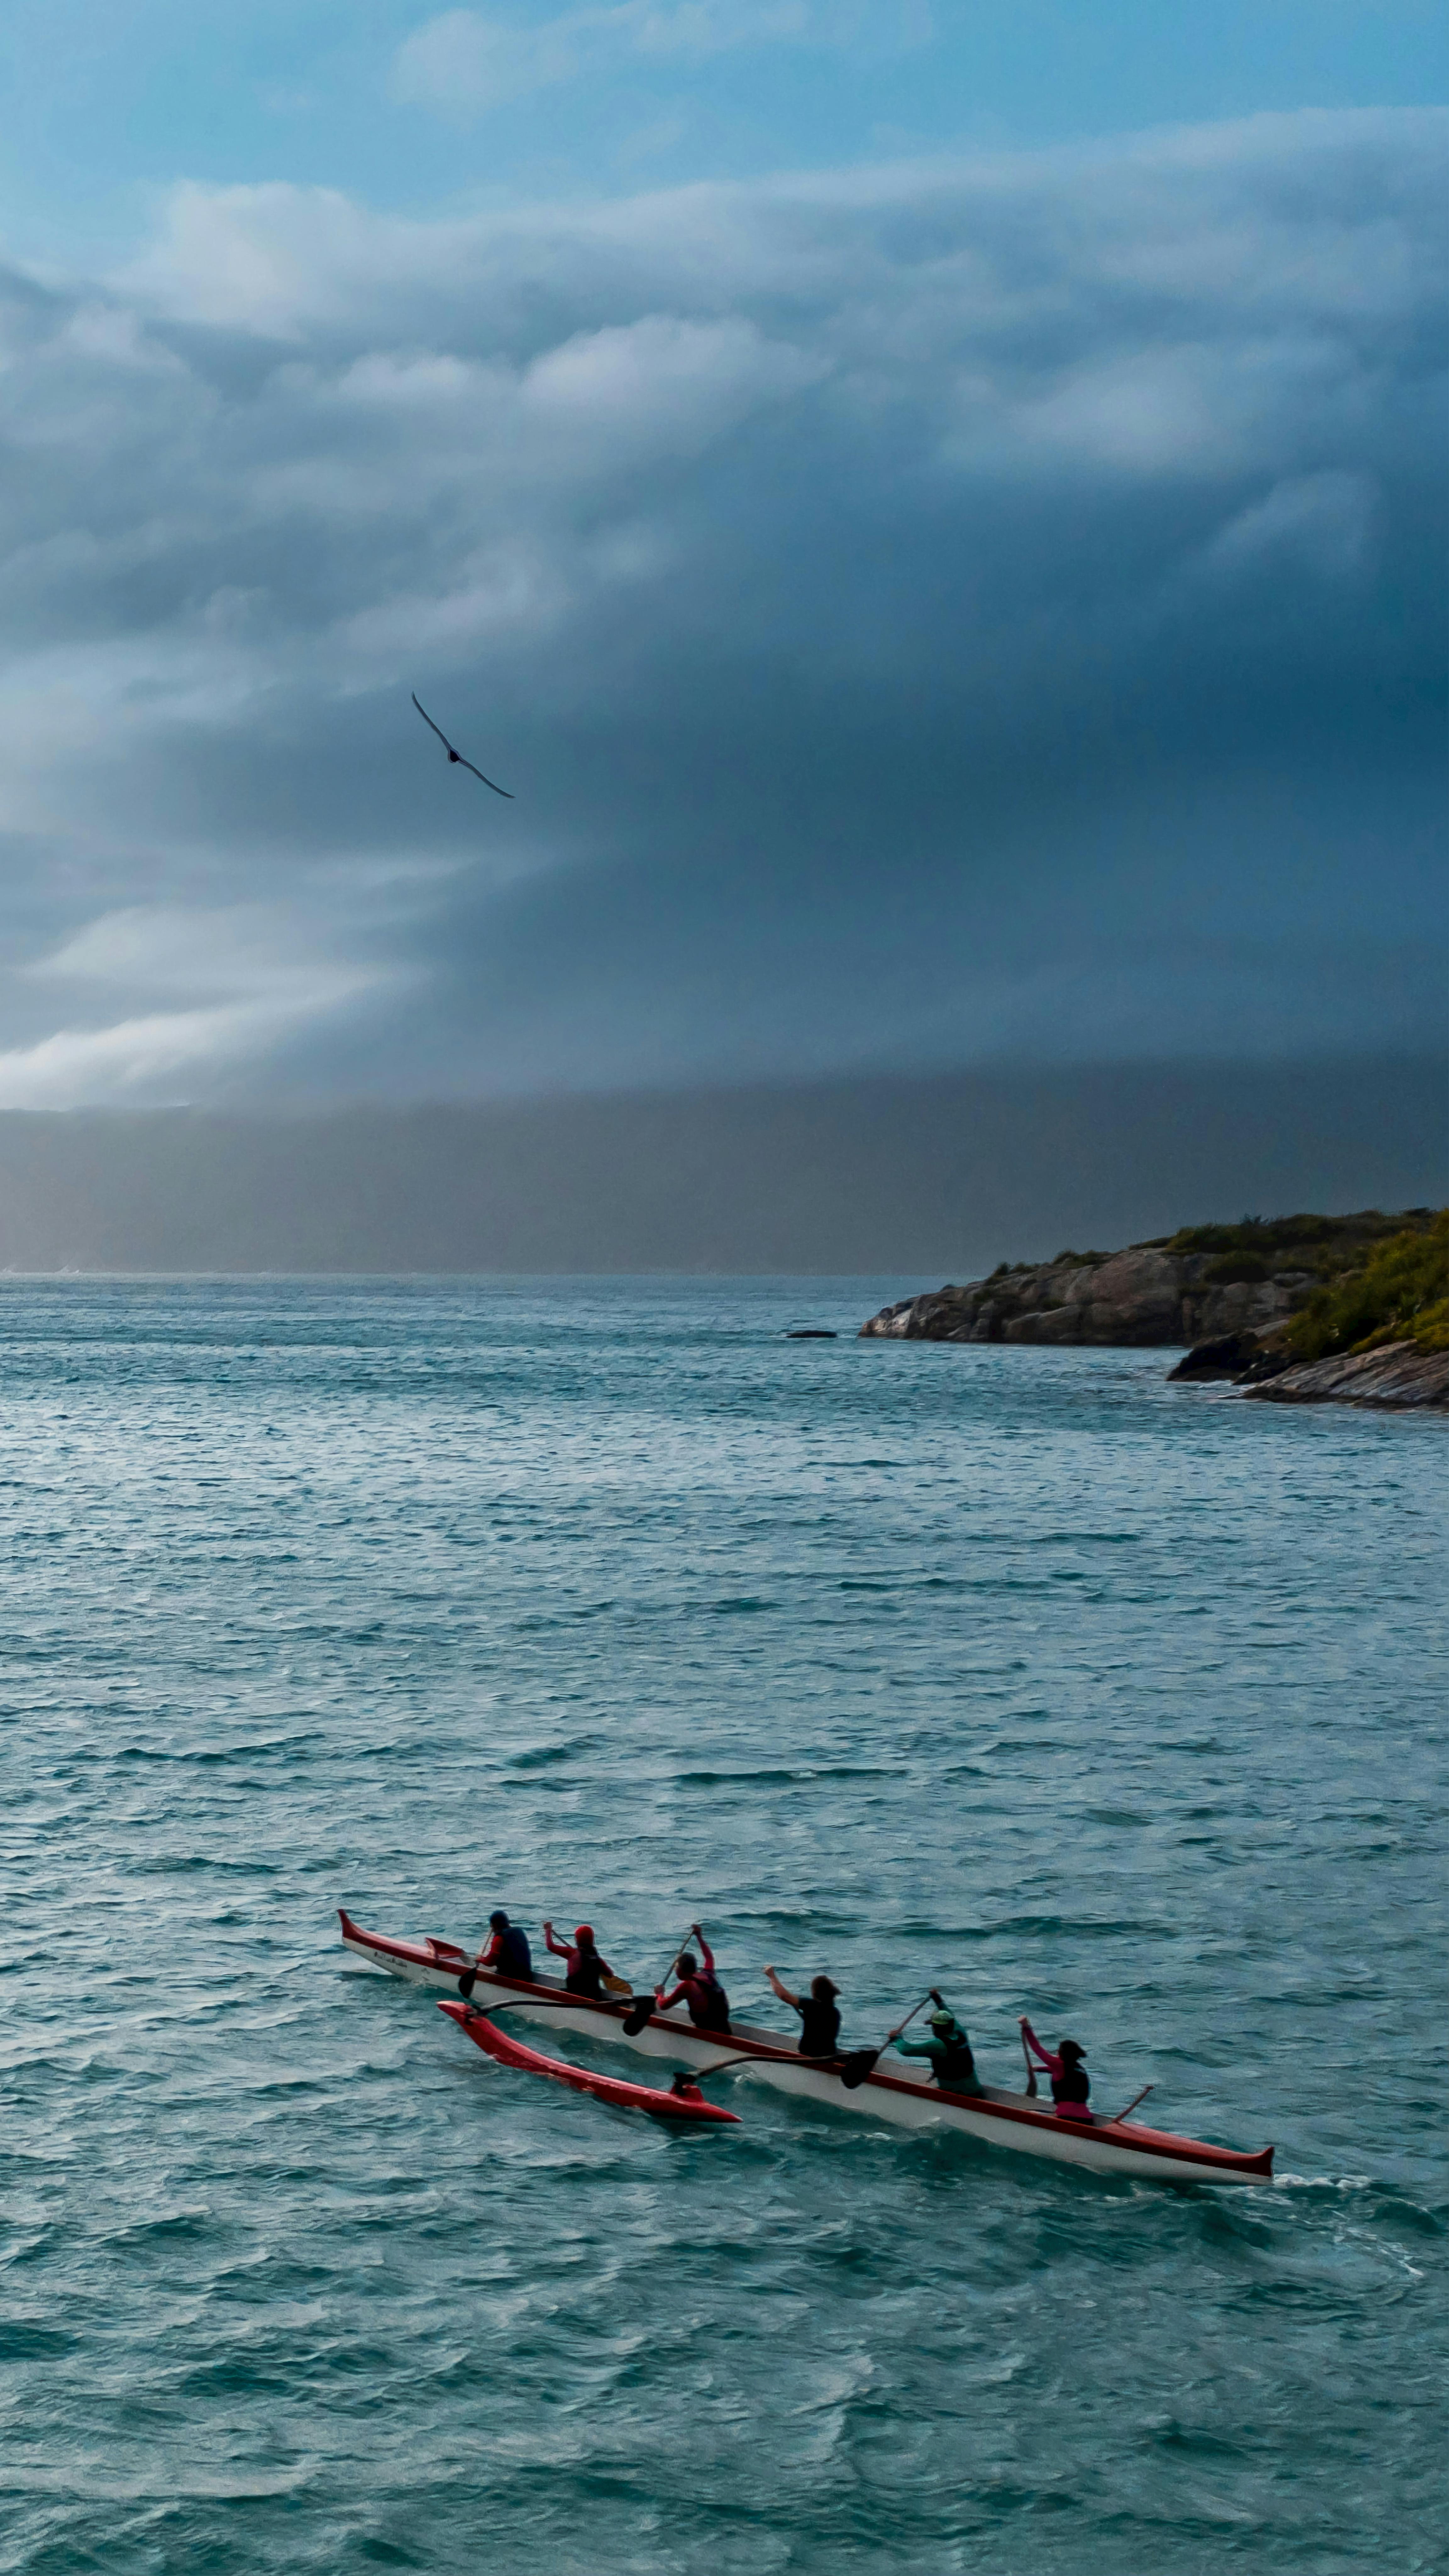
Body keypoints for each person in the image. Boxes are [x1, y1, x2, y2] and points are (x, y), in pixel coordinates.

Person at [893, 2003, 984, 2096]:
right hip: (977, 2091)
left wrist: (897, 2039)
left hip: (957, 2095)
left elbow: (906, 2050)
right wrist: (937, 1998)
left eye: (933, 2026)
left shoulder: (938, 2046)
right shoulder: (961, 2033)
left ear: (936, 2028)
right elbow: (949, 2013)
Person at [655, 1923, 730, 2033]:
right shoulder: (709, 1974)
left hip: (709, 2032)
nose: (675, 1971)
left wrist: (659, 1994)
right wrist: (699, 1937)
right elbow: (709, 1957)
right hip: (725, 2027)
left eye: (677, 1968)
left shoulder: (687, 1986)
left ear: (681, 1971)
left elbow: (663, 2005)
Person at [764, 1963, 842, 2058]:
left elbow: (784, 1996)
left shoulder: (811, 2006)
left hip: (809, 2056)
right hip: (830, 2055)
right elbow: (817, 2022)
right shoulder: (835, 2012)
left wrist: (771, 1976)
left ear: (815, 1993)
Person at [1019, 2018, 1092, 2118]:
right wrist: (1037, 2069)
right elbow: (1057, 2071)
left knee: (1027, 2113)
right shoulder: (1079, 2068)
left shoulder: (1060, 2065)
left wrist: (1027, 2029)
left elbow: (1038, 2050)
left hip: (1066, 2117)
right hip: (1087, 2119)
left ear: (1062, 2054)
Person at [543, 1920, 613, 2000]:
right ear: (592, 1939)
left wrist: (548, 1930)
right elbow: (610, 1974)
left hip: (575, 1997)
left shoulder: (572, 1954)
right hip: (596, 1998)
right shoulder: (597, 1959)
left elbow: (551, 1946)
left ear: (577, 1939)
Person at [475, 1910, 532, 1980]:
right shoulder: (519, 1931)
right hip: (527, 1975)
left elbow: (490, 1962)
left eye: (492, 1925)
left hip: (511, 1977)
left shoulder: (499, 1938)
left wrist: (480, 1959)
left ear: (495, 1925)